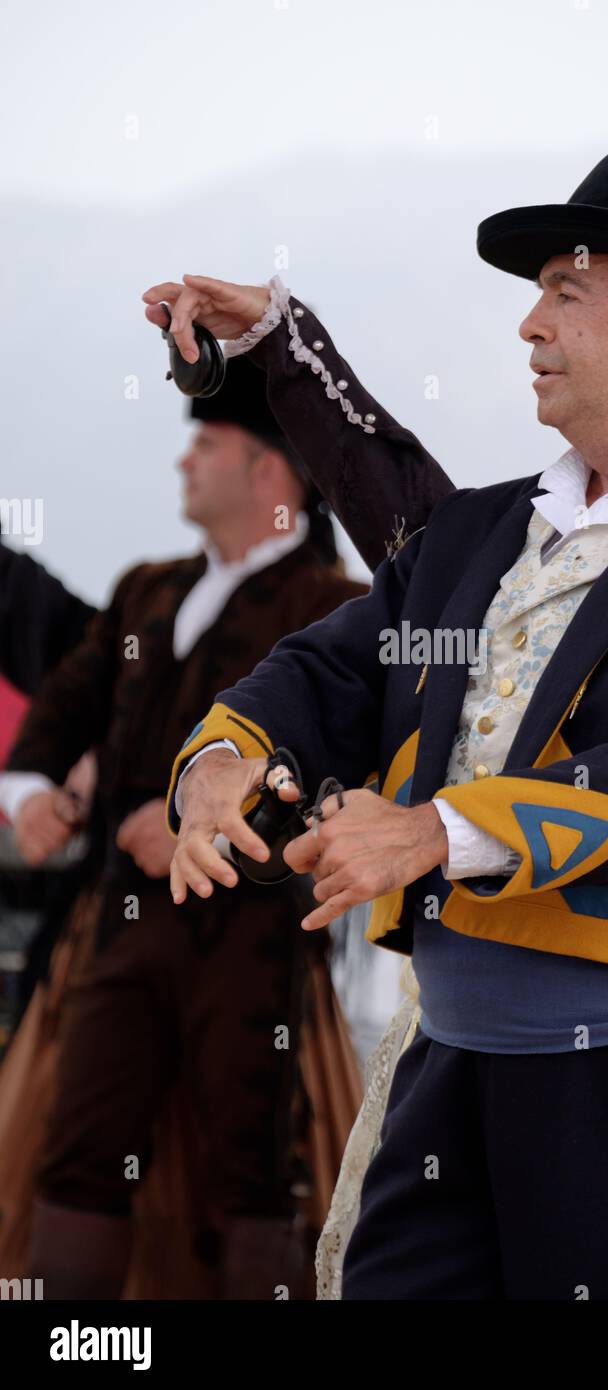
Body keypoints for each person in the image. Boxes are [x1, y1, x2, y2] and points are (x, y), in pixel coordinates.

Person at [157, 132, 608, 1300]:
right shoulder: (483, 529)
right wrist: (222, 762)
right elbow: (327, 673)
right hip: (453, 1058)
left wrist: (433, 829)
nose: (528, 325)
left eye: (563, 294)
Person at [0, 356, 369, 1299]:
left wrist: (218, 828)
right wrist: (37, 793)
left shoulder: (333, 606)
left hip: (259, 941)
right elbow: (62, 715)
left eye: (204, 444)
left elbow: (344, 771)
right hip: (117, 931)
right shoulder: (144, 591)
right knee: (77, 1151)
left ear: (267, 473)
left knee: (255, 1173)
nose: (181, 464)